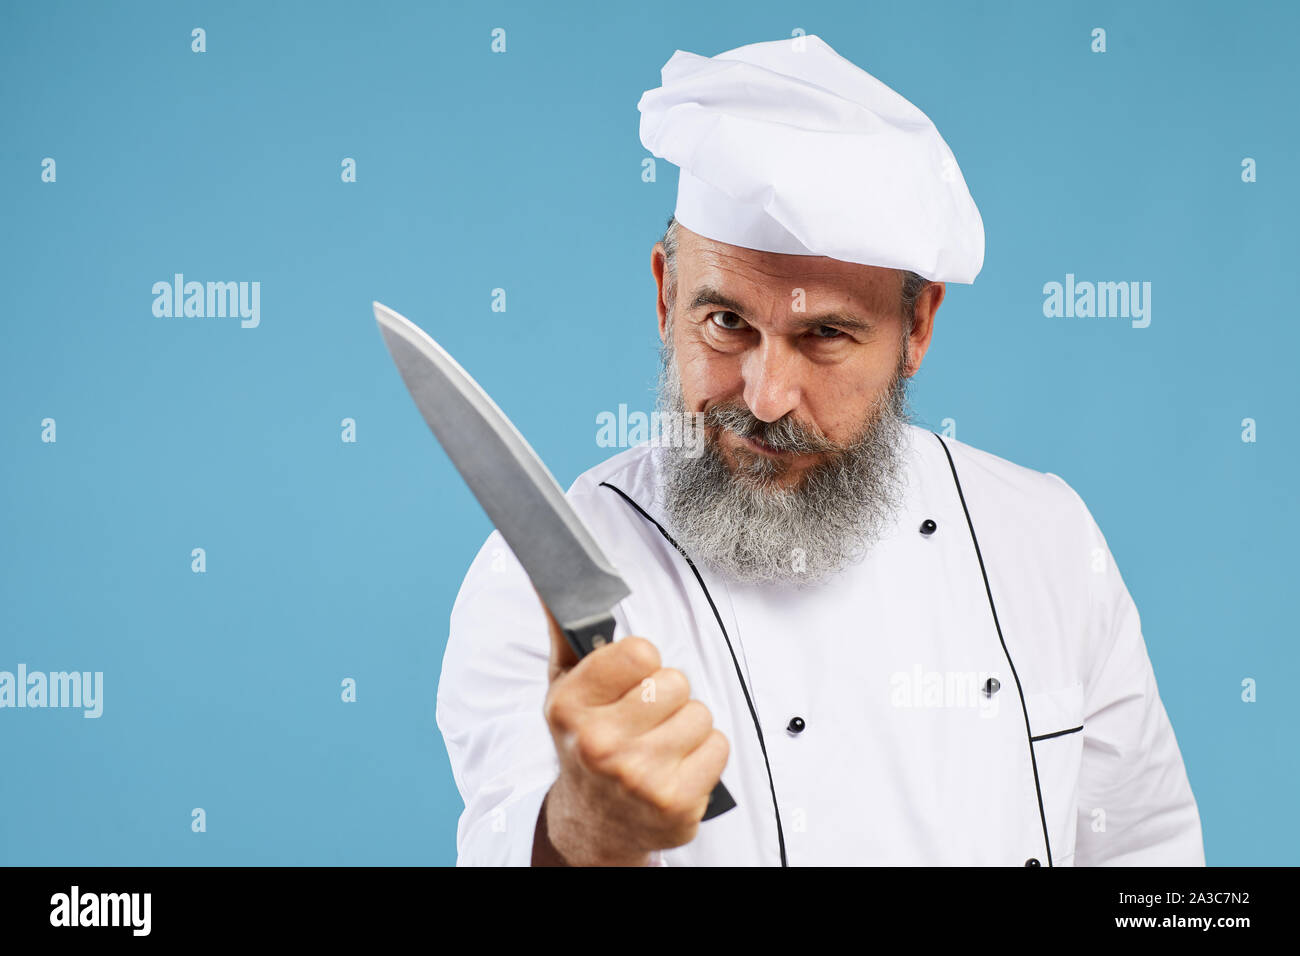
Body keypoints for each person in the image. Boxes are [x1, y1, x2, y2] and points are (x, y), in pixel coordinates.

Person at [435, 34, 1204, 866]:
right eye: (726, 322)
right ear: (665, 296)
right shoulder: (540, 578)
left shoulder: (1046, 540)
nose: (764, 398)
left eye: (825, 334)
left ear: (917, 328)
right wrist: (586, 829)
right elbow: (509, 842)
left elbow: (1150, 858)